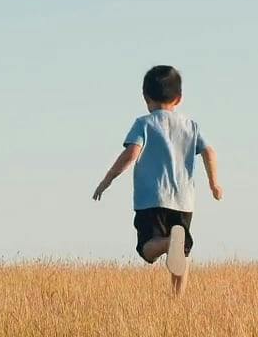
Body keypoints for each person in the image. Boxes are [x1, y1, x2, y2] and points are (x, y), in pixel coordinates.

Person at [92, 65, 221, 295]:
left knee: (147, 249)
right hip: (184, 200)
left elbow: (131, 154)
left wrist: (108, 179)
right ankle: (177, 297)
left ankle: (169, 241)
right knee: (181, 252)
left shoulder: (144, 123)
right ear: (179, 98)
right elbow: (210, 152)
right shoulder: (191, 126)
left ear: (146, 98)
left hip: (151, 198)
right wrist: (214, 184)